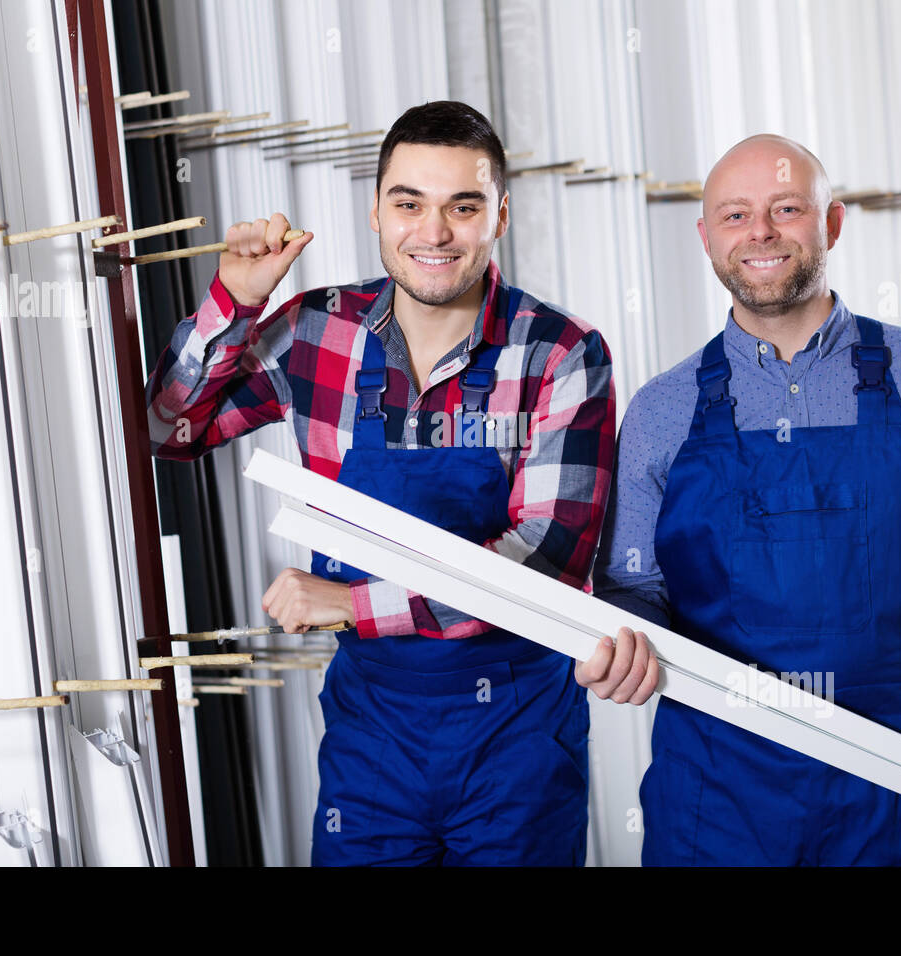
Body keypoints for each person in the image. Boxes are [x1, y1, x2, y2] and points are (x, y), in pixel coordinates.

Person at [583, 133, 901, 866]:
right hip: (716, 791)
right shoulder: (663, 409)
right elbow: (632, 584)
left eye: (787, 208)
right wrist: (620, 643)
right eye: (735, 215)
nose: (760, 233)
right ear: (706, 238)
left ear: (833, 224)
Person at [145, 100, 615, 865]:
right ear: (375, 211)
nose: (433, 234)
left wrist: (350, 603)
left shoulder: (559, 354)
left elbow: (542, 569)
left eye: (462, 207)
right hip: (374, 735)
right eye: (409, 204)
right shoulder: (312, 332)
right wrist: (233, 303)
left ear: (500, 214)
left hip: (516, 736)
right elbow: (170, 431)